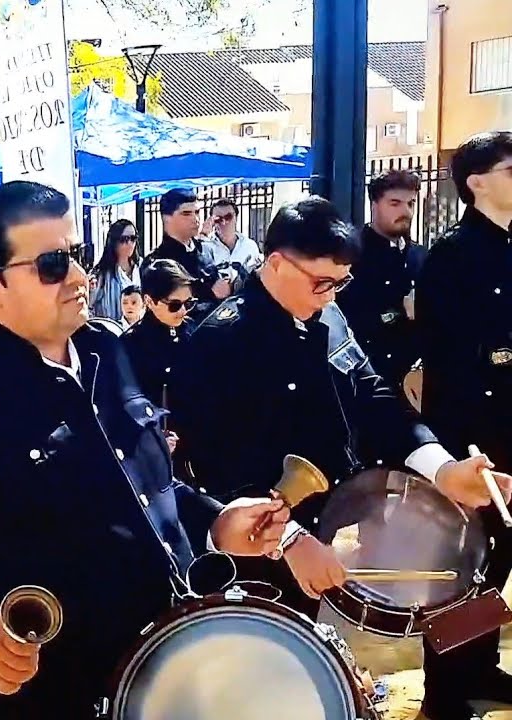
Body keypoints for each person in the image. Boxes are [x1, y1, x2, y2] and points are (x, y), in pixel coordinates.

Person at [0, 181, 293, 718]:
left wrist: (215, 523)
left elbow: (141, 482)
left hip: (167, 658)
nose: (76, 275)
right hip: (45, 692)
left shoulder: (107, 348)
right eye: (51, 263)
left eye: (77, 255)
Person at [168, 197, 511, 619]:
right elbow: (216, 466)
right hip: (254, 545)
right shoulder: (218, 343)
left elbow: (373, 396)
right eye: (321, 282)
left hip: (328, 519)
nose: (330, 295)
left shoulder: (328, 317)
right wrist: (287, 539)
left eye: (339, 283)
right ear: (276, 264)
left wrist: (441, 468)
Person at [415, 130, 512, 720]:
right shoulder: (451, 256)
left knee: (500, 563)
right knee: (467, 562)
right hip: (474, 435)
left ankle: (478, 666)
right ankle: (445, 688)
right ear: (477, 183)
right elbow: (448, 357)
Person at [337, 170, 427, 390]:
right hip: (364, 380)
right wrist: (399, 310)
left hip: (416, 385)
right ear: (374, 204)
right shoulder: (350, 254)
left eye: (411, 203)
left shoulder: (421, 256)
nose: (405, 211)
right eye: (394, 203)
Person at [120, 259, 195, 407]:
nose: (183, 311)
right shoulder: (130, 344)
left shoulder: (194, 332)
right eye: (174, 305)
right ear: (149, 301)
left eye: (188, 303)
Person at [147, 188, 229, 306]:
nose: (195, 219)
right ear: (167, 218)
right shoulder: (156, 262)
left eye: (197, 212)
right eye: (186, 213)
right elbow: (166, 309)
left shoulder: (206, 250)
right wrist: (211, 294)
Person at [88, 219, 141, 322]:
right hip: (111, 333)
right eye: (124, 239)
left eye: (133, 238)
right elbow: (88, 307)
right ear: (114, 241)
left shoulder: (142, 268)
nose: (130, 243)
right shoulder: (101, 273)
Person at [202, 198, 263, 270]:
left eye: (228, 217)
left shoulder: (250, 246)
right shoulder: (205, 247)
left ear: (236, 218)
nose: (224, 223)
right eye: (218, 219)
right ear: (212, 221)